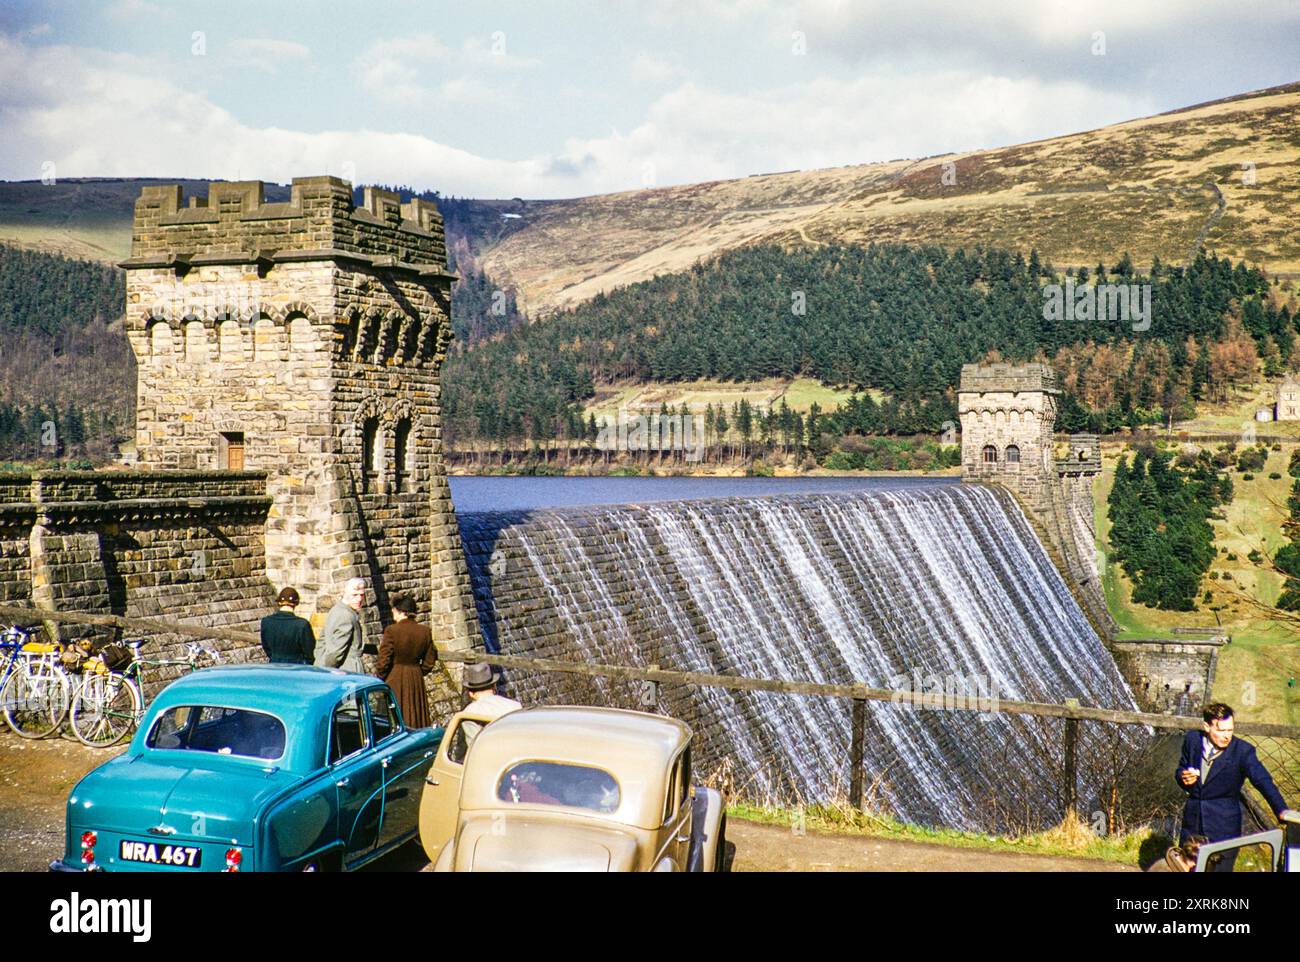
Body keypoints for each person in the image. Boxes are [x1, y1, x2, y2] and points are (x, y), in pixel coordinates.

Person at [1176, 702, 1295, 872]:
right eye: (1221, 730)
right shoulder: (1192, 740)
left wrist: (1281, 810)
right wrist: (1182, 777)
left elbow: (1263, 781)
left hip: (1223, 830)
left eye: (1230, 730)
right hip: (1192, 826)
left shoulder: (1243, 752)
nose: (1226, 736)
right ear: (1206, 727)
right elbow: (1181, 769)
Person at [376, 593, 437, 729]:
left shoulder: (391, 631)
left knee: (396, 716)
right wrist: (417, 672)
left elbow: (383, 661)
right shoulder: (424, 631)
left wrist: (381, 678)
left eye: (393, 610)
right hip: (416, 677)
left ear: (399, 611)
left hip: (395, 677)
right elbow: (429, 660)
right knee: (416, 714)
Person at [451, 663, 521, 761]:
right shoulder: (515, 705)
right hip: (520, 759)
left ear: (471, 693)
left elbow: (475, 748)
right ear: (494, 687)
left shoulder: (469, 713)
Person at [315, 577, 368, 674]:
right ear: (345, 594)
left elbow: (321, 641)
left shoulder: (336, 609)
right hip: (347, 668)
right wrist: (325, 669)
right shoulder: (345, 615)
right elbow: (336, 652)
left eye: (361, 595)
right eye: (355, 595)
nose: (359, 599)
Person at [259, 587, 316, 665]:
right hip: (296, 667)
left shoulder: (266, 622)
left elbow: (266, 647)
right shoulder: (302, 624)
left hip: (274, 665)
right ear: (296, 603)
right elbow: (310, 653)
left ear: (279, 603)